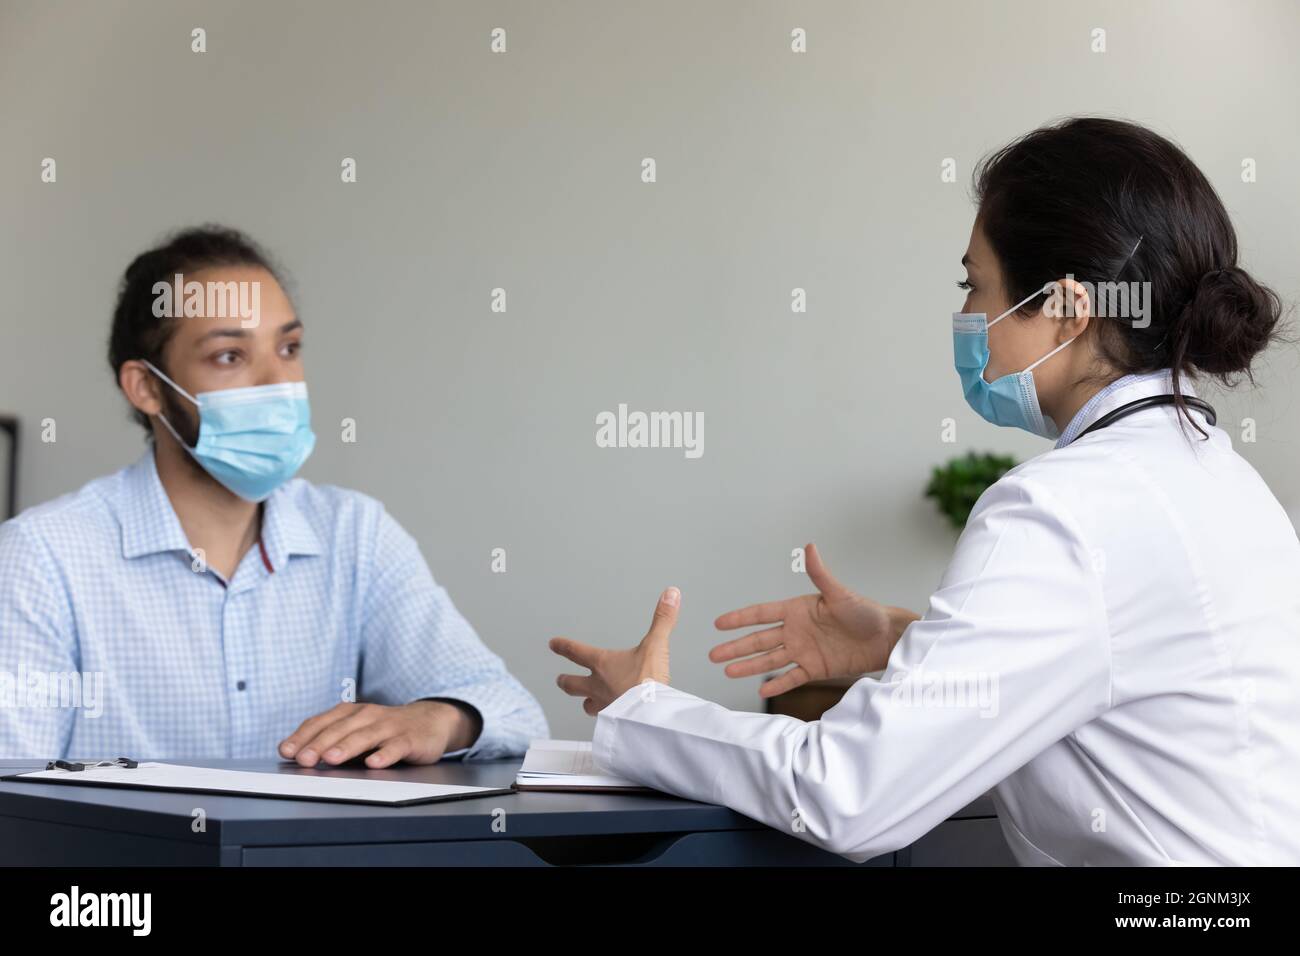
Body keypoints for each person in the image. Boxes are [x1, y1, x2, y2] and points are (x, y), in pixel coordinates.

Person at [551, 117, 1300, 865]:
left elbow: (848, 794)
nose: (970, 318)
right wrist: (901, 646)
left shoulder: (1065, 510)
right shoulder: (1227, 484)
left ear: (1069, 310)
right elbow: (1127, 684)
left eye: (975, 285)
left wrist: (641, 712)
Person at [0, 226, 547, 766]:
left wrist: (440, 718)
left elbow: (518, 715)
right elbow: (12, 784)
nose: (276, 382)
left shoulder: (355, 532)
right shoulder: (43, 556)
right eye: (229, 356)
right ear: (147, 387)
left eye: (288, 347)